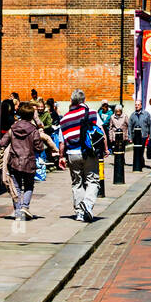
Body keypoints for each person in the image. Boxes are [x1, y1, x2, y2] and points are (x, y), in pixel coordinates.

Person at [0, 101, 63, 221]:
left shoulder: (13, 128)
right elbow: (39, 147)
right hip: (29, 161)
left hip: (14, 162)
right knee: (29, 185)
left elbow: (2, 142)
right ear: (31, 116)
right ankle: (25, 207)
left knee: (17, 187)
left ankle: (18, 211)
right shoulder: (33, 130)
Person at [60, 89, 99, 223]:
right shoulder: (92, 112)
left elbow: (62, 141)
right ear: (84, 100)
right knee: (92, 180)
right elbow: (100, 132)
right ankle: (87, 204)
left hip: (72, 153)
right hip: (88, 152)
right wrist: (105, 149)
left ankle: (79, 213)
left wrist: (61, 157)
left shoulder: (64, 119)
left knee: (77, 183)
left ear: (72, 101)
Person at [106, 103, 128, 180]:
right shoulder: (112, 117)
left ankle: (122, 160)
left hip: (123, 136)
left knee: (122, 149)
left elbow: (128, 126)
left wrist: (127, 136)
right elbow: (110, 128)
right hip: (115, 136)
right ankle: (117, 161)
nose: (117, 113)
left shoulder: (125, 116)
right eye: (116, 111)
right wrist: (110, 137)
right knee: (116, 150)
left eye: (119, 111)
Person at [129, 103, 151, 173]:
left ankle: (140, 163)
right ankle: (140, 163)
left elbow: (149, 125)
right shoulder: (132, 115)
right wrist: (130, 137)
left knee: (141, 149)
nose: (136, 106)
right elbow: (130, 126)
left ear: (141, 106)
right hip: (135, 136)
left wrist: (150, 136)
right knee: (136, 150)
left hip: (143, 135)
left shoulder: (146, 114)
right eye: (135, 105)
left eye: (138, 105)